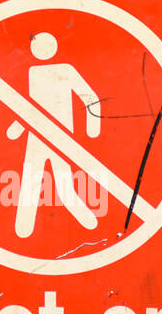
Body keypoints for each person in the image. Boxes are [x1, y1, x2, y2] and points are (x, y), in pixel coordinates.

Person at [6, 32, 100, 238]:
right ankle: (23, 228)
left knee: (63, 185)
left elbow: (90, 98)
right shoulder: (33, 73)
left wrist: (93, 128)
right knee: (30, 183)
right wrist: (17, 128)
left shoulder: (66, 70)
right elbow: (31, 107)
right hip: (37, 138)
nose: (42, 51)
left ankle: (88, 221)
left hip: (61, 138)